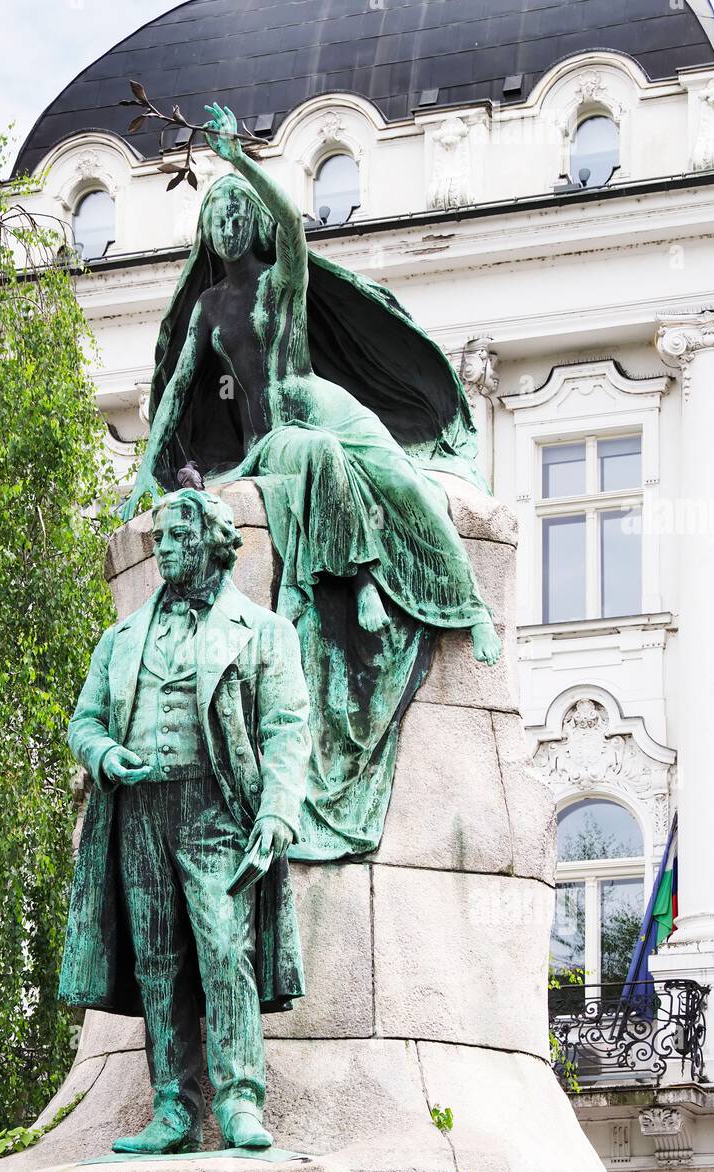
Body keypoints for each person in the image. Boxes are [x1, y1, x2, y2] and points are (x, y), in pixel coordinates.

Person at [121, 103, 501, 860]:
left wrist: (238, 160)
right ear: (203, 232)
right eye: (217, 212)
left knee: (402, 478)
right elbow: (173, 396)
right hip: (278, 440)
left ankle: (464, 606)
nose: (229, 221)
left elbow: (293, 229)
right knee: (322, 462)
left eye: (238, 211)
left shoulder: (275, 287)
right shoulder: (207, 307)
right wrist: (142, 478)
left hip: (319, 404)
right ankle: (359, 581)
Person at [60, 488, 310, 1153]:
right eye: (159, 538)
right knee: (157, 963)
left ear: (211, 541)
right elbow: (83, 722)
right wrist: (105, 751)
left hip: (216, 808)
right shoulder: (121, 638)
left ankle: (239, 1102)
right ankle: (172, 1107)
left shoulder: (263, 632)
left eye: (176, 537)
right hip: (139, 812)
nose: (162, 548)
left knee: (227, 953)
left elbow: (287, 729)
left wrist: (279, 808)